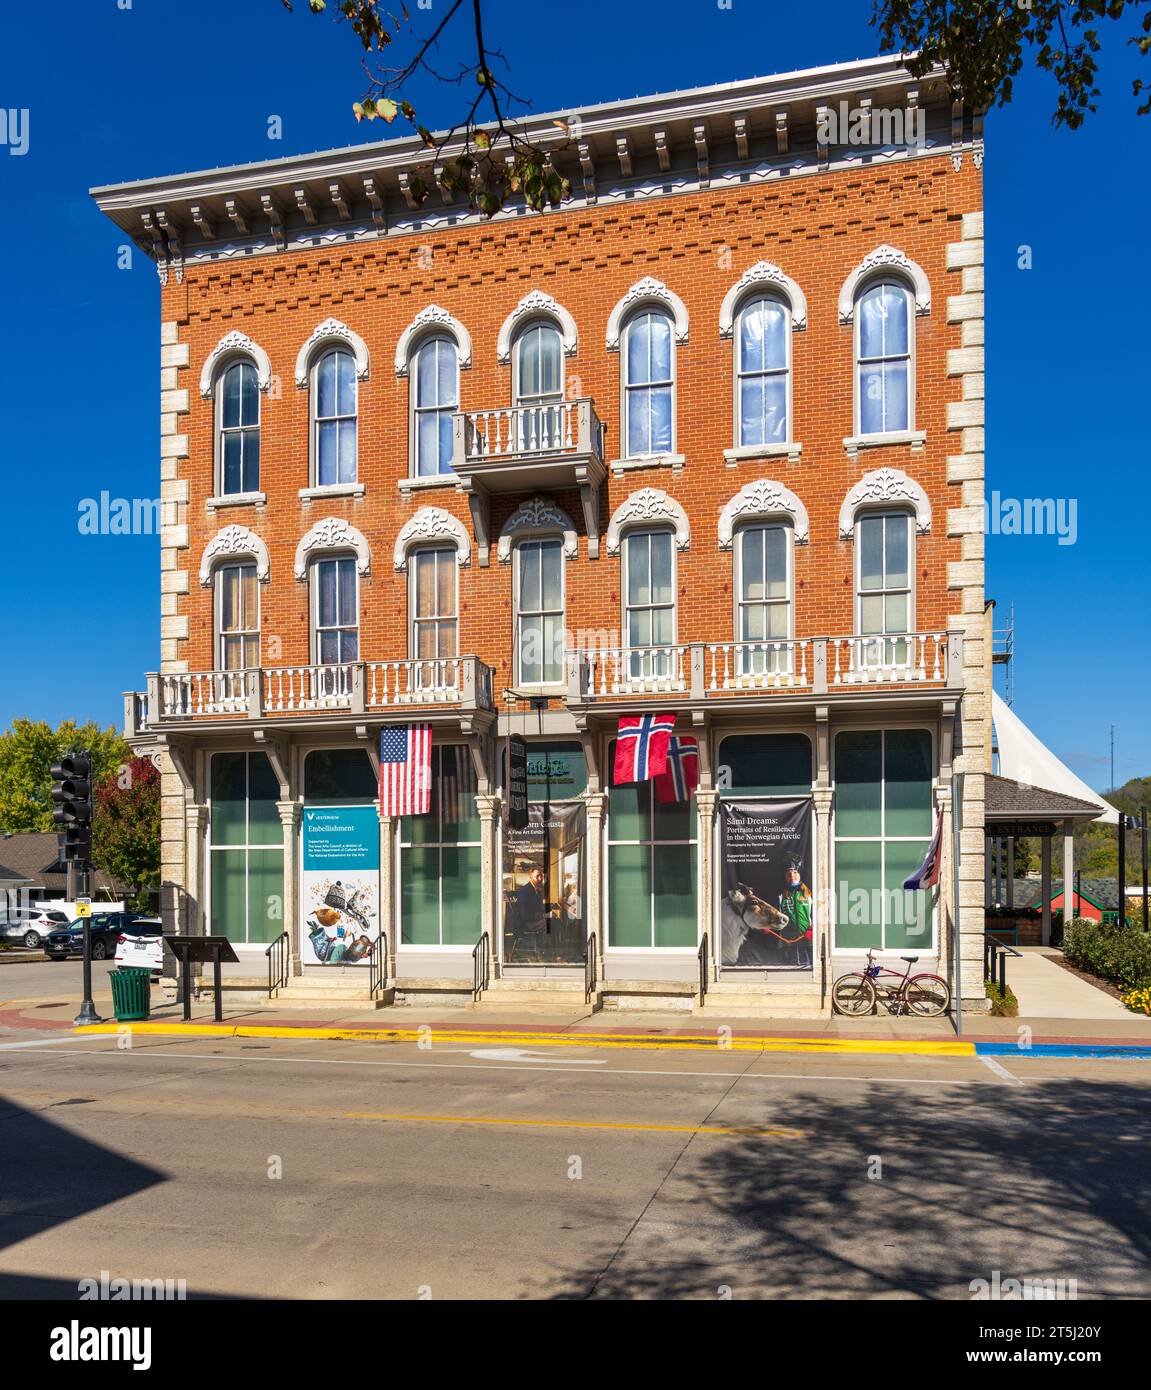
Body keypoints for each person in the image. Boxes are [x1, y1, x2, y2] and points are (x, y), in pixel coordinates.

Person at [778, 862, 813, 969]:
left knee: (808, 970)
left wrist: (812, 929)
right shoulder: (780, 895)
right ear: (785, 877)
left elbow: (818, 914)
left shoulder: (809, 894)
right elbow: (774, 916)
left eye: (795, 872)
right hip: (789, 942)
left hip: (806, 940)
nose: (792, 876)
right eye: (789, 873)